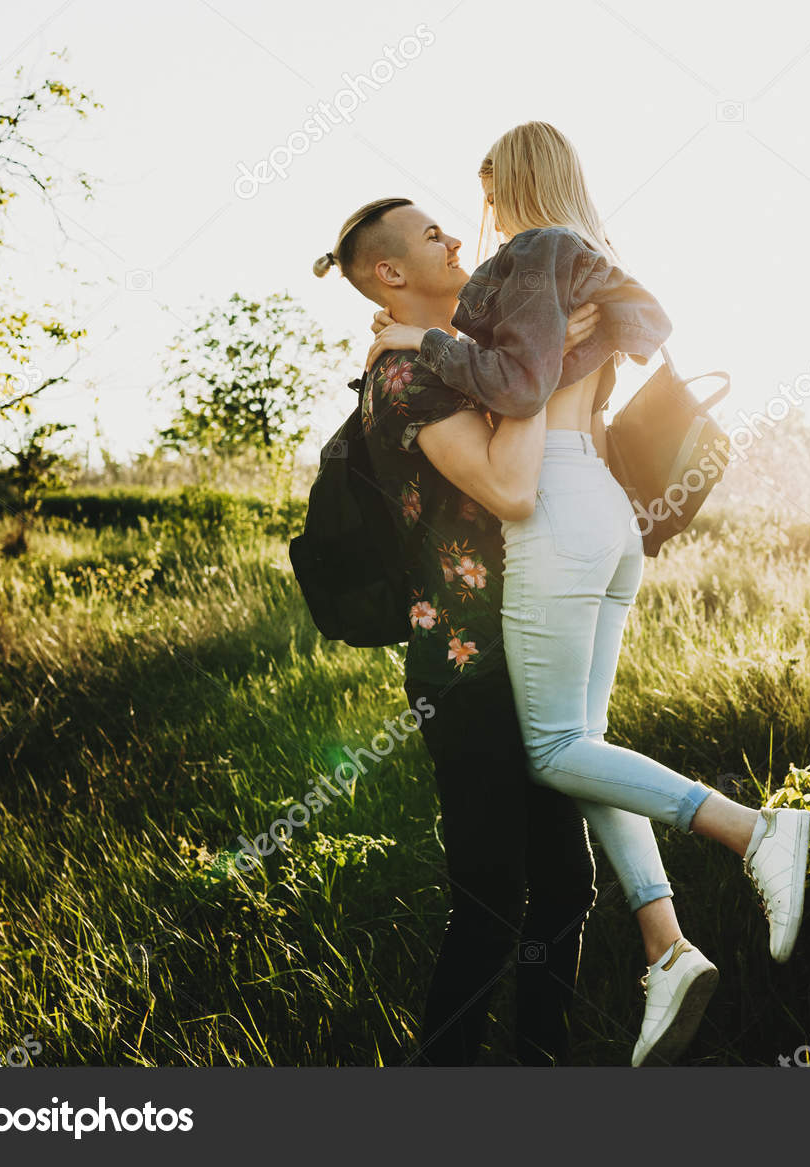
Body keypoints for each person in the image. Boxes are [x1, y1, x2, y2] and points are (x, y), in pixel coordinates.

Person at [357, 123, 810, 1065]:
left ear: (508, 184)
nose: (468, 228)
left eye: (478, 197)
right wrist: (557, 347)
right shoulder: (587, 265)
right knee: (587, 748)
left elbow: (515, 393)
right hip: (605, 509)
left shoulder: (531, 257)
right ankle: (669, 949)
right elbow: (647, 329)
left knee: (557, 747)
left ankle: (752, 829)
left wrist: (425, 337)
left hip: (558, 509)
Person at [312, 196, 606, 1066]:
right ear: (391, 274)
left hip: (524, 651)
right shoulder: (406, 379)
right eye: (433, 233)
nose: (454, 237)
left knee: (561, 886)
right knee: (493, 895)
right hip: (467, 669)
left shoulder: (450, 361)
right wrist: (536, 366)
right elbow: (509, 492)